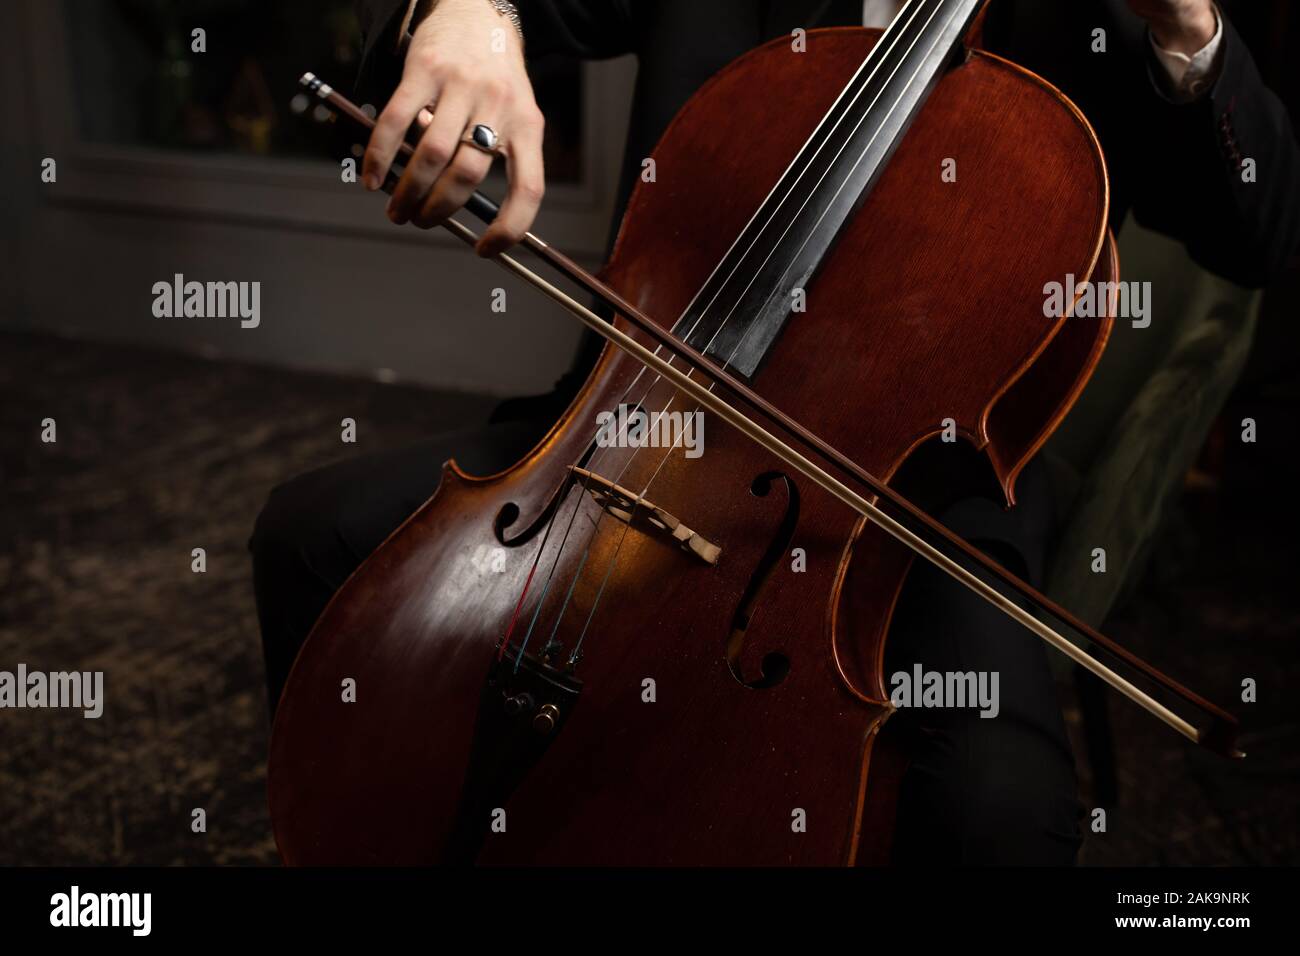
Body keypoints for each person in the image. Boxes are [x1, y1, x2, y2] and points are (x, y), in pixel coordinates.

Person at [251, 0, 1300, 864]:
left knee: (994, 810)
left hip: (901, 497)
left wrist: (1187, 29)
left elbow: (1263, 231)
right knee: (311, 532)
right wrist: (464, 15)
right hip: (630, 415)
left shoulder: (1086, 29)